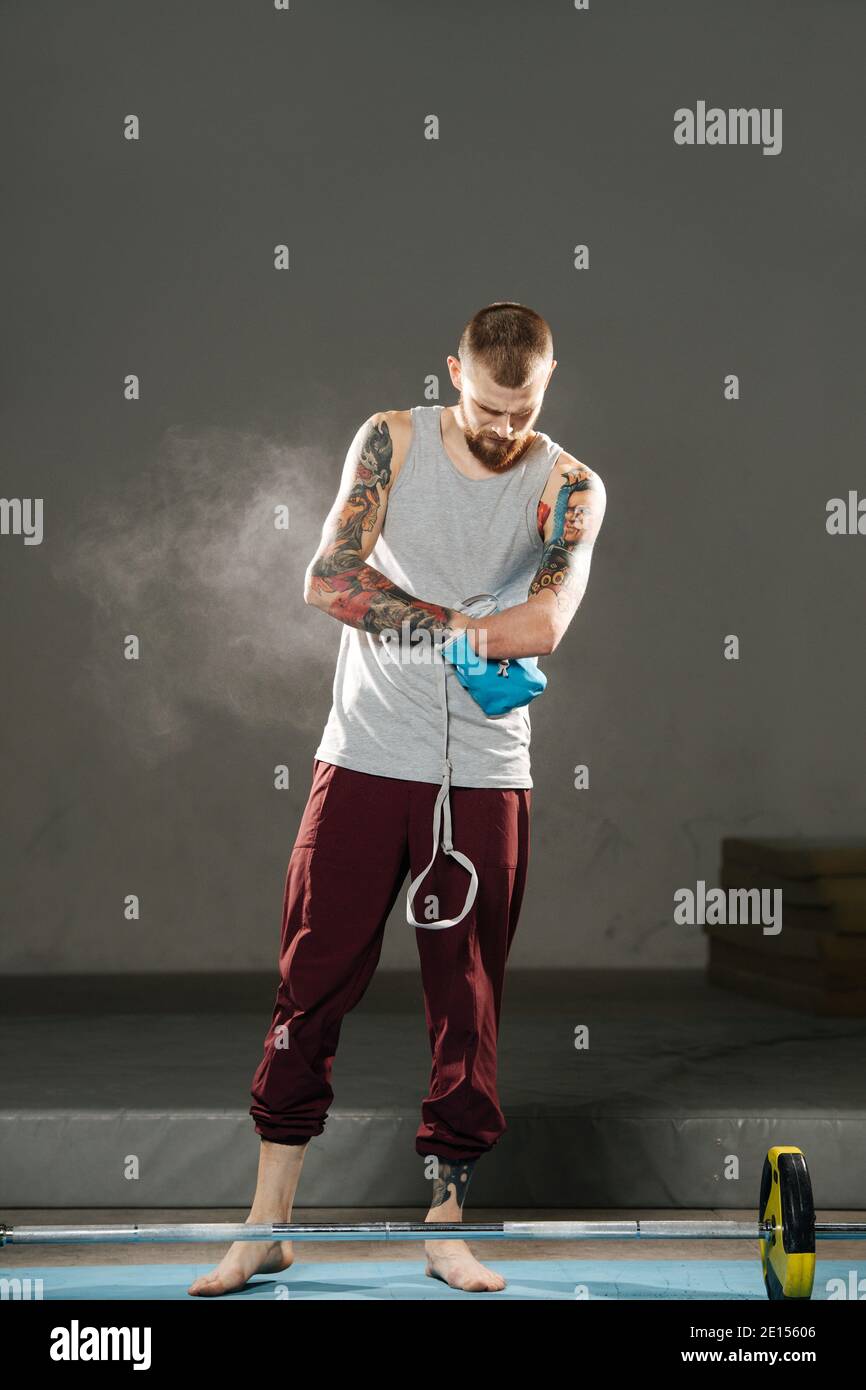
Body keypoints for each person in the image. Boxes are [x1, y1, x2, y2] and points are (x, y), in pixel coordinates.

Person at [189, 301, 606, 1296]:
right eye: (488, 406)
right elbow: (328, 579)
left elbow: (547, 619)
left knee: (465, 1001)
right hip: (367, 753)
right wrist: (461, 625)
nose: (504, 428)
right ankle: (265, 1224)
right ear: (452, 371)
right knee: (311, 982)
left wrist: (462, 626)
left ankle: (445, 1225)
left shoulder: (570, 485)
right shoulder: (390, 440)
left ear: (545, 386)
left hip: (485, 773)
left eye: (523, 409)